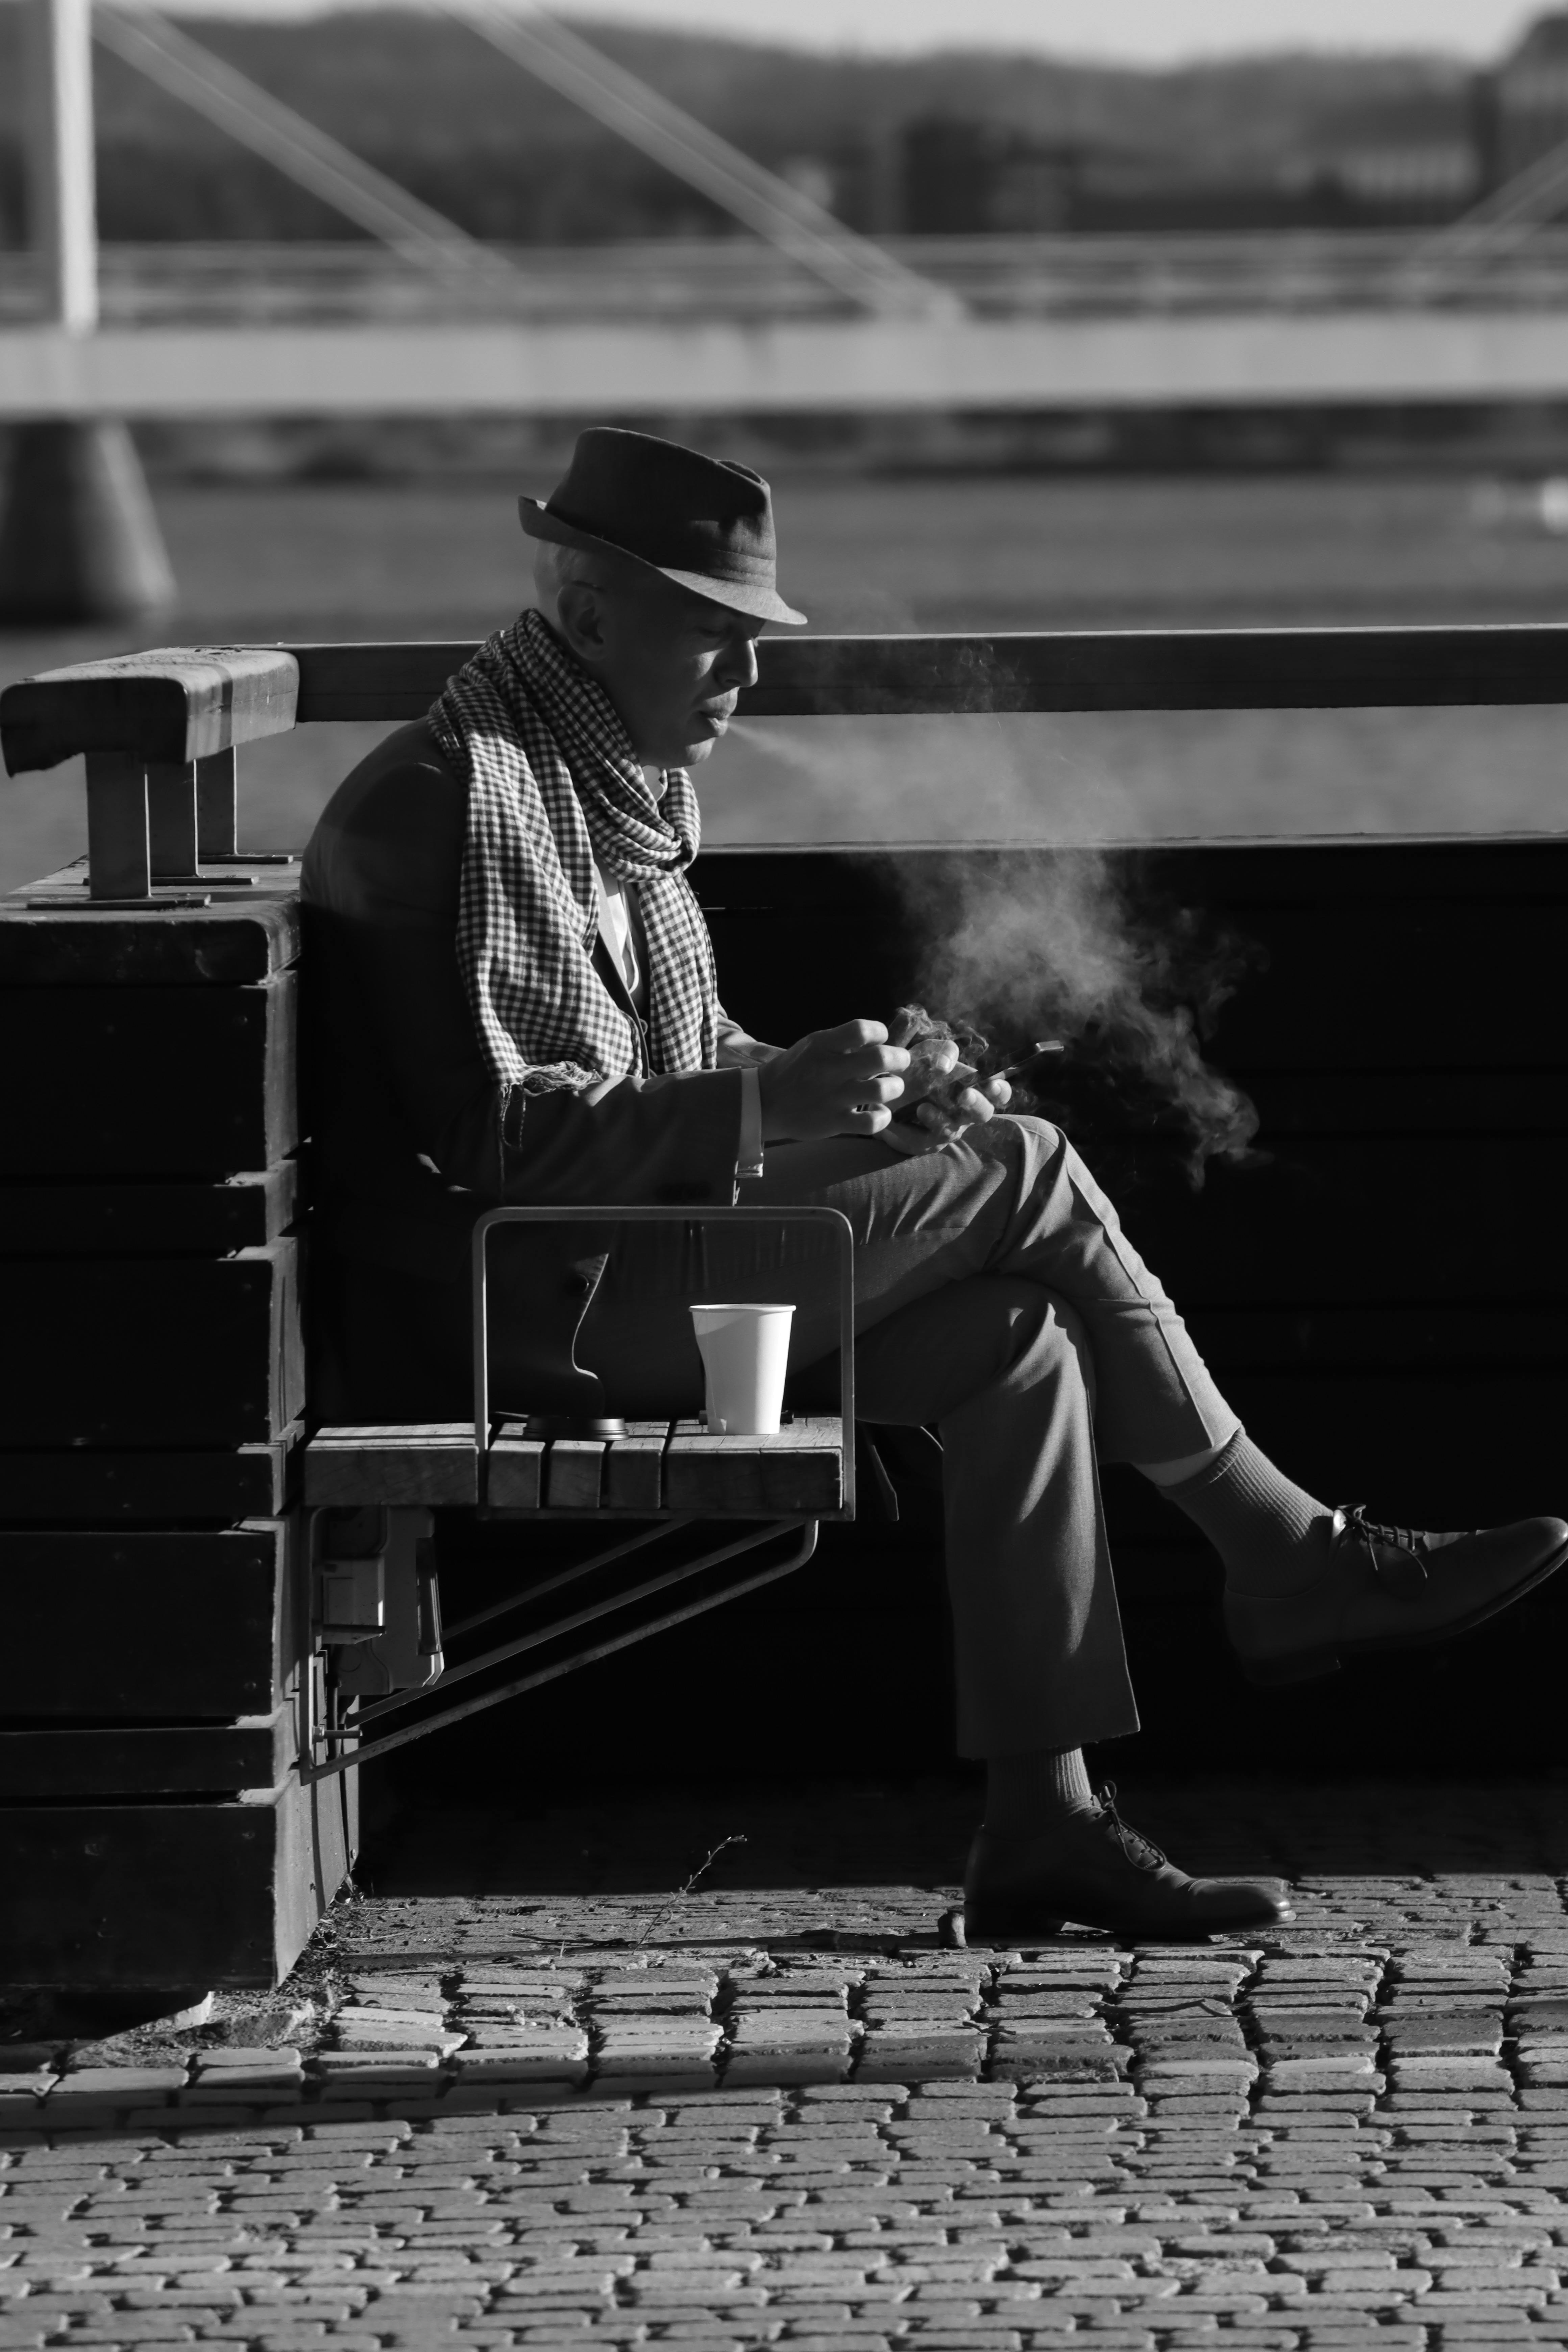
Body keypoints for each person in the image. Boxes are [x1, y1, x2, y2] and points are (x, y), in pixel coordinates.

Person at [302, 427, 1567, 1943]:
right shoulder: (458, 795)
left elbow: (686, 1075)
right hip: (534, 1309)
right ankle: (1288, 1556)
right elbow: (505, 1146)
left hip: (613, 1273)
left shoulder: (587, 787)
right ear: (589, 620)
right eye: (716, 638)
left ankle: (1048, 1822)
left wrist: (868, 1113)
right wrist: (780, 1103)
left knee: (1017, 1351)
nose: (744, 682)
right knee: (1025, 1166)